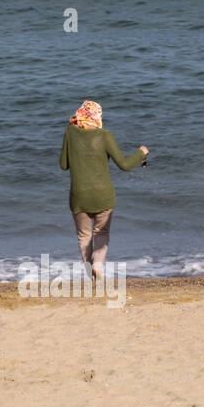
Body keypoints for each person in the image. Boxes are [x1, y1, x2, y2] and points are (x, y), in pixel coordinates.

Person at [59, 100, 147, 280]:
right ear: (98, 116)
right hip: (103, 196)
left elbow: (63, 165)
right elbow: (124, 165)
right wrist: (141, 153)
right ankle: (97, 267)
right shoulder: (105, 135)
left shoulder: (70, 132)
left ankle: (90, 274)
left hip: (78, 196)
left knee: (84, 235)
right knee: (102, 233)